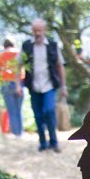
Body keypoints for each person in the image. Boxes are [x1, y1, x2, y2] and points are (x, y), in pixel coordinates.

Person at [21, 18, 67, 152]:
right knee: (38, 115)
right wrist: (18, 85)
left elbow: (60, 66)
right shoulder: (26, 46)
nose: (38, 33)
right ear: (32, 31)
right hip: (34, 86)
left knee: (49, 110)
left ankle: (54, 141)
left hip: (49, 85)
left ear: (45, 31)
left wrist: (64, 86)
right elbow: (19, 65)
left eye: (40, 30)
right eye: (35, 31)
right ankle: (42, 142)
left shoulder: (52, 45)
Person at [0, 37, 25, 137]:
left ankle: (16, 134)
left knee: (12, 110)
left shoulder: (1, 55)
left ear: (4, 46)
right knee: (19, 109)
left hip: (6, 83)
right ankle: (20, 132)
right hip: (20, 83)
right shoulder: (19, 53)